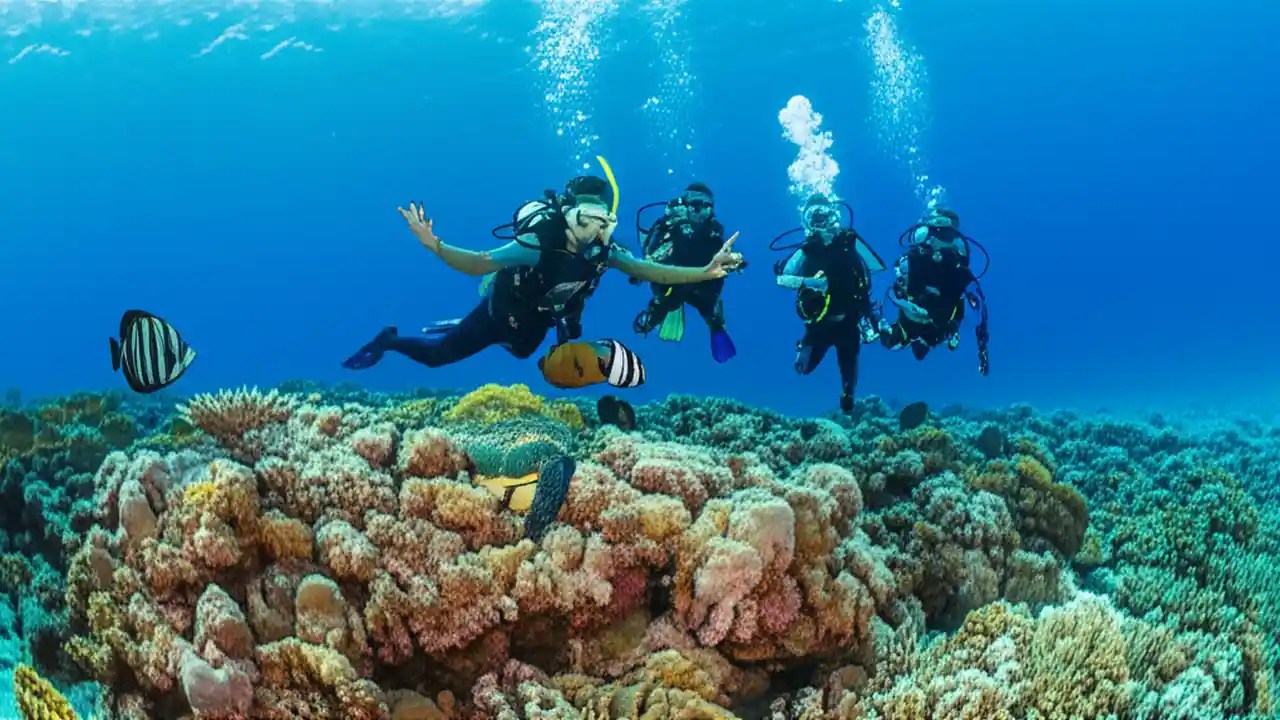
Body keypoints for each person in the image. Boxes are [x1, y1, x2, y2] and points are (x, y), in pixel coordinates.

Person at [342, 172, 745, 373]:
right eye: (587, 221)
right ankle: (390, 340)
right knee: (437, 358)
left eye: (605, 222)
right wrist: (436, 245)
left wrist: (706, 272)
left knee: (523, 352)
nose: (596, 232)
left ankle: (467, 326)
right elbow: (481, 262)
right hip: (502, 312)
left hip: (539, 318)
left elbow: (653, 270)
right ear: (569, 217)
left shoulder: (605, 247)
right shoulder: (539, 243)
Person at [772, 194, 886, 414]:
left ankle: (848, 392)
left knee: (849, 365)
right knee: (805, 369)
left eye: (825, 216)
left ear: (835, 217)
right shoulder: (806, 251)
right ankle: (805, 347)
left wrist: (872, 316)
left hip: (850, 320)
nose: (821, 223)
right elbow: (782, 279)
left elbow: (874, 269)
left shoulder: (849, 243)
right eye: (814, 218)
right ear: (806, 222)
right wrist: (811, 282)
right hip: (818, 324)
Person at [631, 182, 737, 362]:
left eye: (707, 206)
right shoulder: (668, 226)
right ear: (685, 205)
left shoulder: (713, 231)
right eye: (696, 205)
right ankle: (652, 317)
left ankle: (716, 323)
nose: (701, 211)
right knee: (667, 302)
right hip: (672, 285)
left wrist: (734, 261)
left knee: (710, 307)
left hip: (702, 286)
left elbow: (720, 257)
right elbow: (652, 254)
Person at [879, 206, 991, 376]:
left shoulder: (961, 272)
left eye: (946, 236)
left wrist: (982, 349)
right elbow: (893, 291)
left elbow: (980, 308)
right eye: (935, 234)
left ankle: (941, 336)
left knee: (922, 349)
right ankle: (874, 323)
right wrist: (905, 305)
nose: (938, 243)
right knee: (891, 343)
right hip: (912, 318)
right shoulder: (911, 261)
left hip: (942, 324)